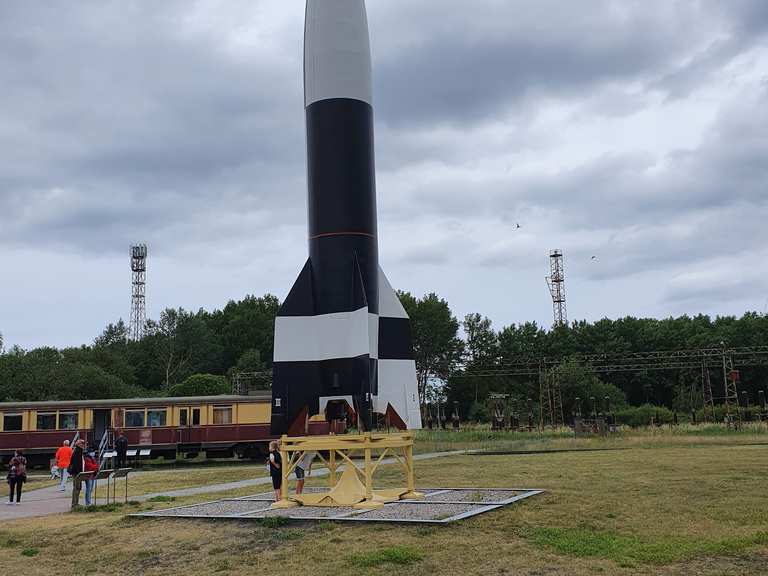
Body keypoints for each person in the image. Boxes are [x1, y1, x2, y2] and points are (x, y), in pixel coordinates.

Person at [69, 439, 86, 507]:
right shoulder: (77, 451)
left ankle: (76, 503)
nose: (83, 445)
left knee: (78, 487)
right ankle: (74, 504)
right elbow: (76, 464)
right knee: (76, 487)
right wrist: (79, 473)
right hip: (76, 473)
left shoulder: (79, 451)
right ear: (79, 444)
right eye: (82, 443)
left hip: (78, 472)